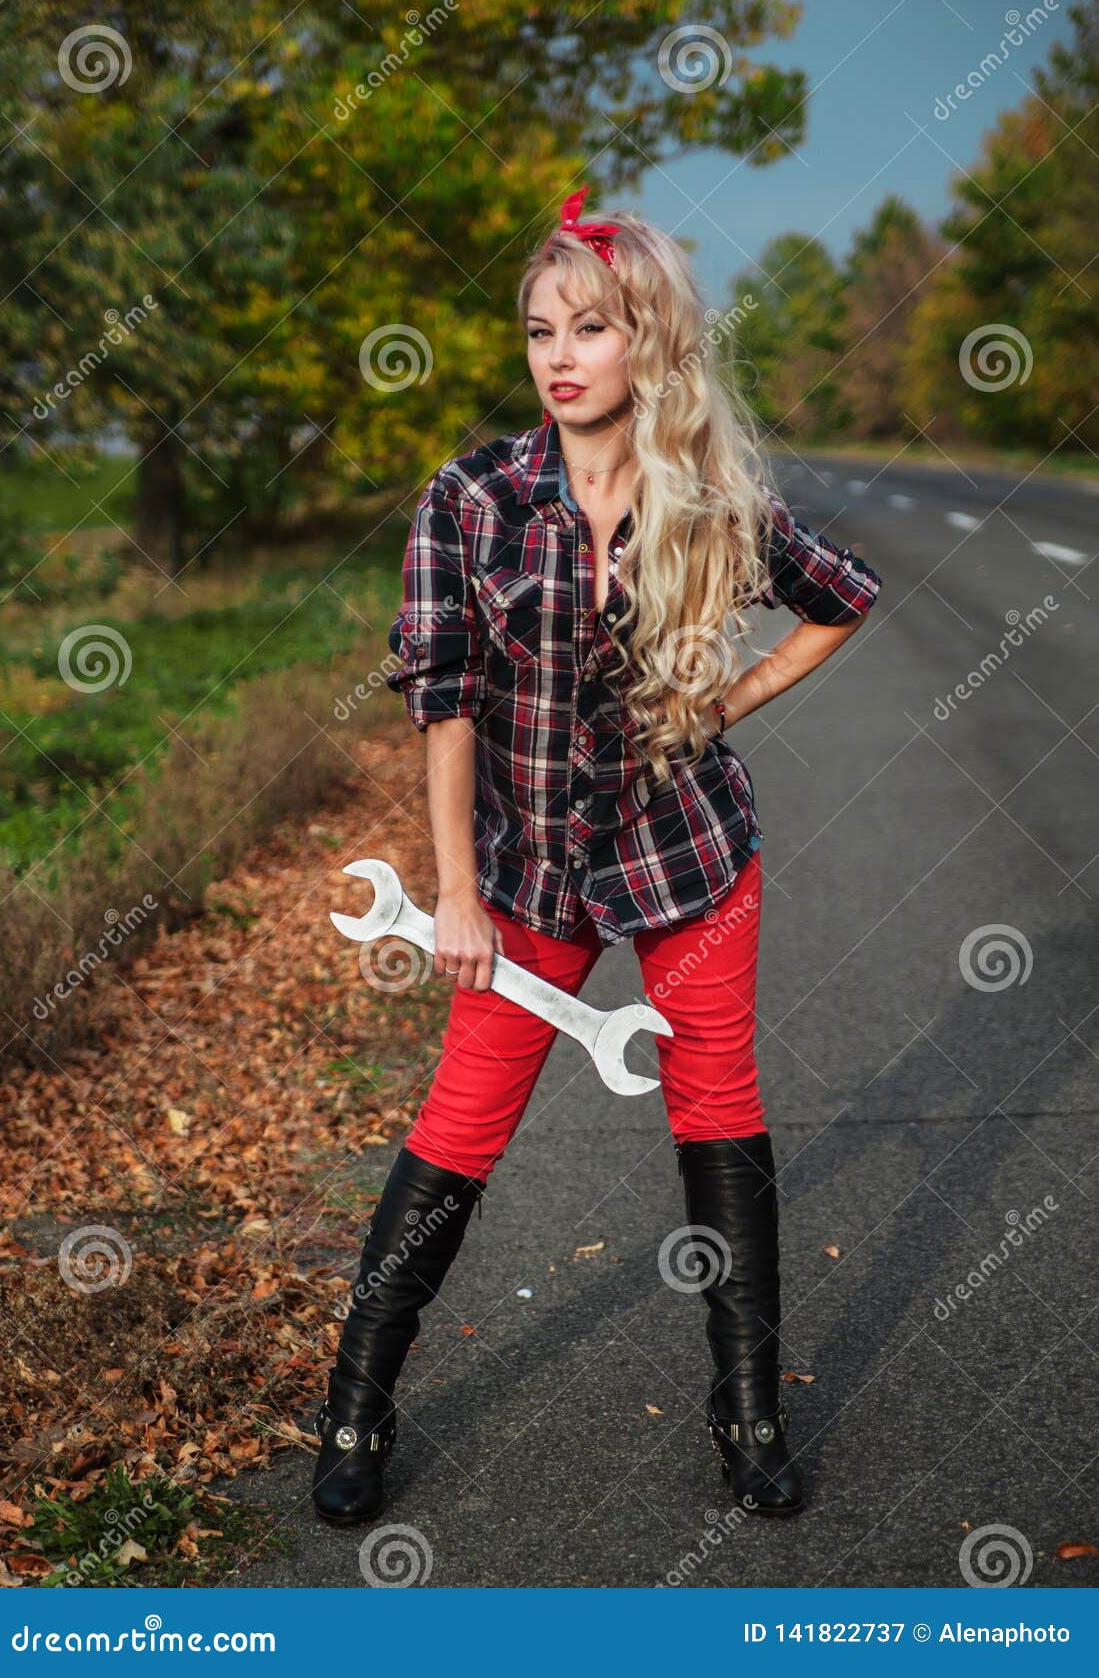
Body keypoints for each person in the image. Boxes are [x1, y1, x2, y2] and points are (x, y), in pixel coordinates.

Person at [311, 186, 882, 1528]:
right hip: (522, 873)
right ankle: (353, 1408)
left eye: (592, 328)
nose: (560, 356)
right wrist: (452, 888)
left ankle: (747, 1414)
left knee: (720, 1120)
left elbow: (840, 598)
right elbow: (442, 699)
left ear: (652, 343)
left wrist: (724, 706)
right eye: (538, 331)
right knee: (460, 1123)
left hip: (690, 860)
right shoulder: (476, 498)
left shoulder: (713, 498)